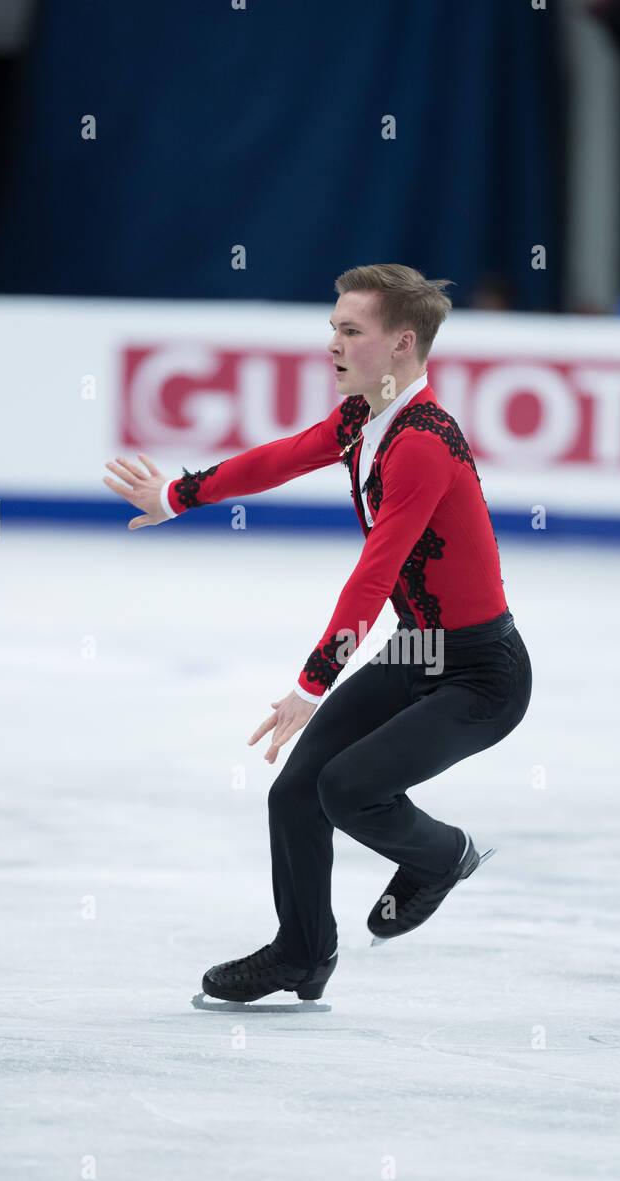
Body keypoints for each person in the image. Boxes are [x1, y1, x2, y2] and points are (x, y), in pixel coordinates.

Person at [103, 264, 533, 1005]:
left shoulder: (424, 443)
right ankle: (302, 954)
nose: (330, 342)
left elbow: (375, 574)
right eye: (332, 326)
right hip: (419, 652)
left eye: (349, 330)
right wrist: (178, 494)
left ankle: (444, 855)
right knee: (296, 793)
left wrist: (312, 683)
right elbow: (279, 459)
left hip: (480, 674)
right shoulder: (365, 420)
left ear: (402, 344)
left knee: (346, 787)